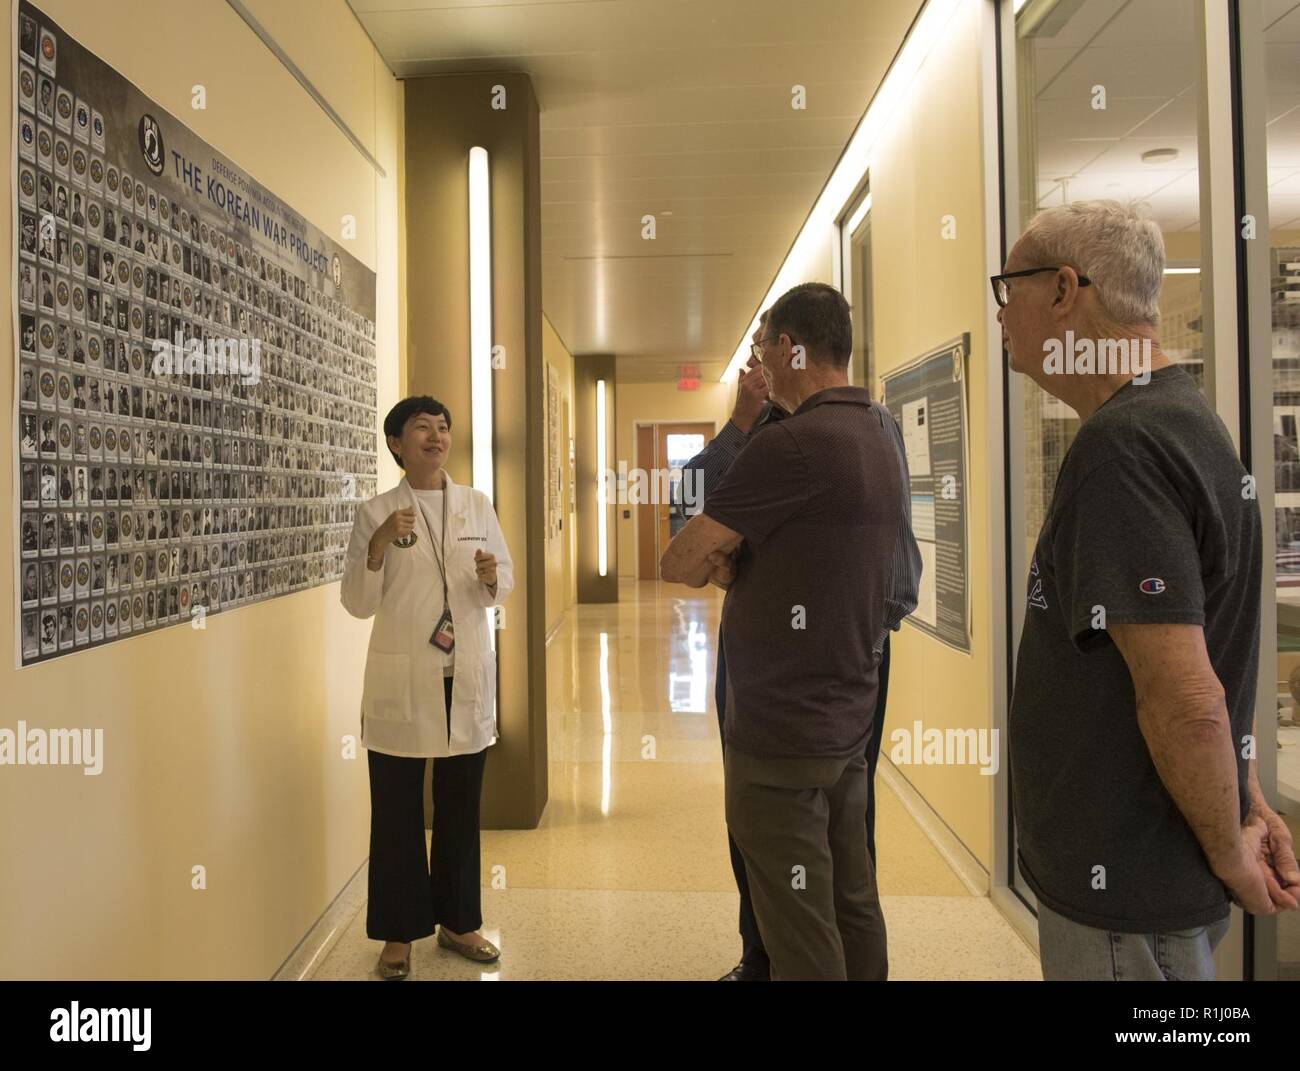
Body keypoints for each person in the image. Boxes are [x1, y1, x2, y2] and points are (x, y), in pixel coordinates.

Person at [996, 199, 1300, 980]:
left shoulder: (1123, 448)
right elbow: (1211, 652)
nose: (1002, 314)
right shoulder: (1183, 422)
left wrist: (1233, 853)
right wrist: (1246, 803)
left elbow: (1186, 696)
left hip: (1126, 890)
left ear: (1066, 290)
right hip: (1143, 879)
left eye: (1010, 289)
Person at [661, 282, 910, 981]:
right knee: (851, 899)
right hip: (847, 719)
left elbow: (678, 558)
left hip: (780, 731)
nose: (759, 361)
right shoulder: (880, 433)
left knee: (798, 922)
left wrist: (725, 558)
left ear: (792, 346)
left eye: (764, 344)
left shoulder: (791, 444)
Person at [341, 395, 513, 981]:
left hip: (462, 677)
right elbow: (357, 603)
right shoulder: (376, 512)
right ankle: (398, 934)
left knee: (461, 805)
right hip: (403, 681)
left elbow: (503, 580)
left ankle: (459, 922)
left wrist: (493, 577)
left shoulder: (476, 504)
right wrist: (379, 544)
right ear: (396, 443)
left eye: (443, 427)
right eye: (422, 429)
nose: (436, 437)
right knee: (395, 809)